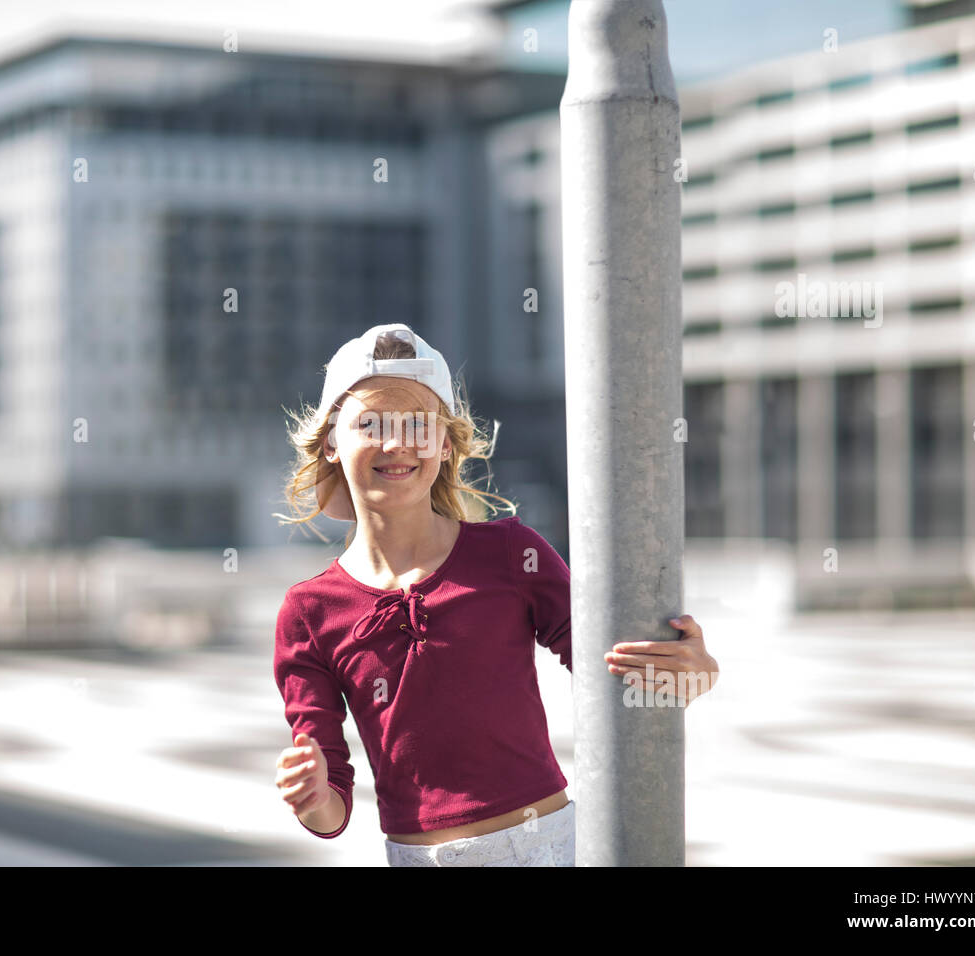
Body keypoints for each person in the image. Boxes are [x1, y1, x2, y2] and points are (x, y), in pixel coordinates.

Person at [270, 323, 717, 866]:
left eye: (419, 423)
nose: (396, 442)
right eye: (370, 423)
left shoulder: (511, 553)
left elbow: (614, 671)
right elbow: (331, 807)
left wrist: (685, 672)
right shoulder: (308, 613)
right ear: (332, 442)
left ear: (445, 442)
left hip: (547, 850)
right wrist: (312, 795)